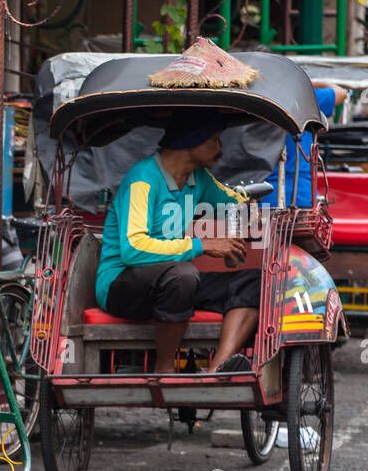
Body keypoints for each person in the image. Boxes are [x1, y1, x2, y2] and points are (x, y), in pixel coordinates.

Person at [95, 111, 257, 374]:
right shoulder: (143, 179)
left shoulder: (199, 179)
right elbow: (133, 249)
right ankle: (164, 367)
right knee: (182, 275)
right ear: (193, 141)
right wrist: (202, 245)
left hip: (172, 285)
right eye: (215, 140)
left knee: (255, 281)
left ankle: (218, 369)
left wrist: (254, 206)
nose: (221, 149)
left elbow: (232, 203)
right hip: (121, 285)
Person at [262, 81, 345, 207]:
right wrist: (309, 82)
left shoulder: (248, 96)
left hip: (254, 195)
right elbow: (341, 93)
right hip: (299, 195)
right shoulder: (303, 96)